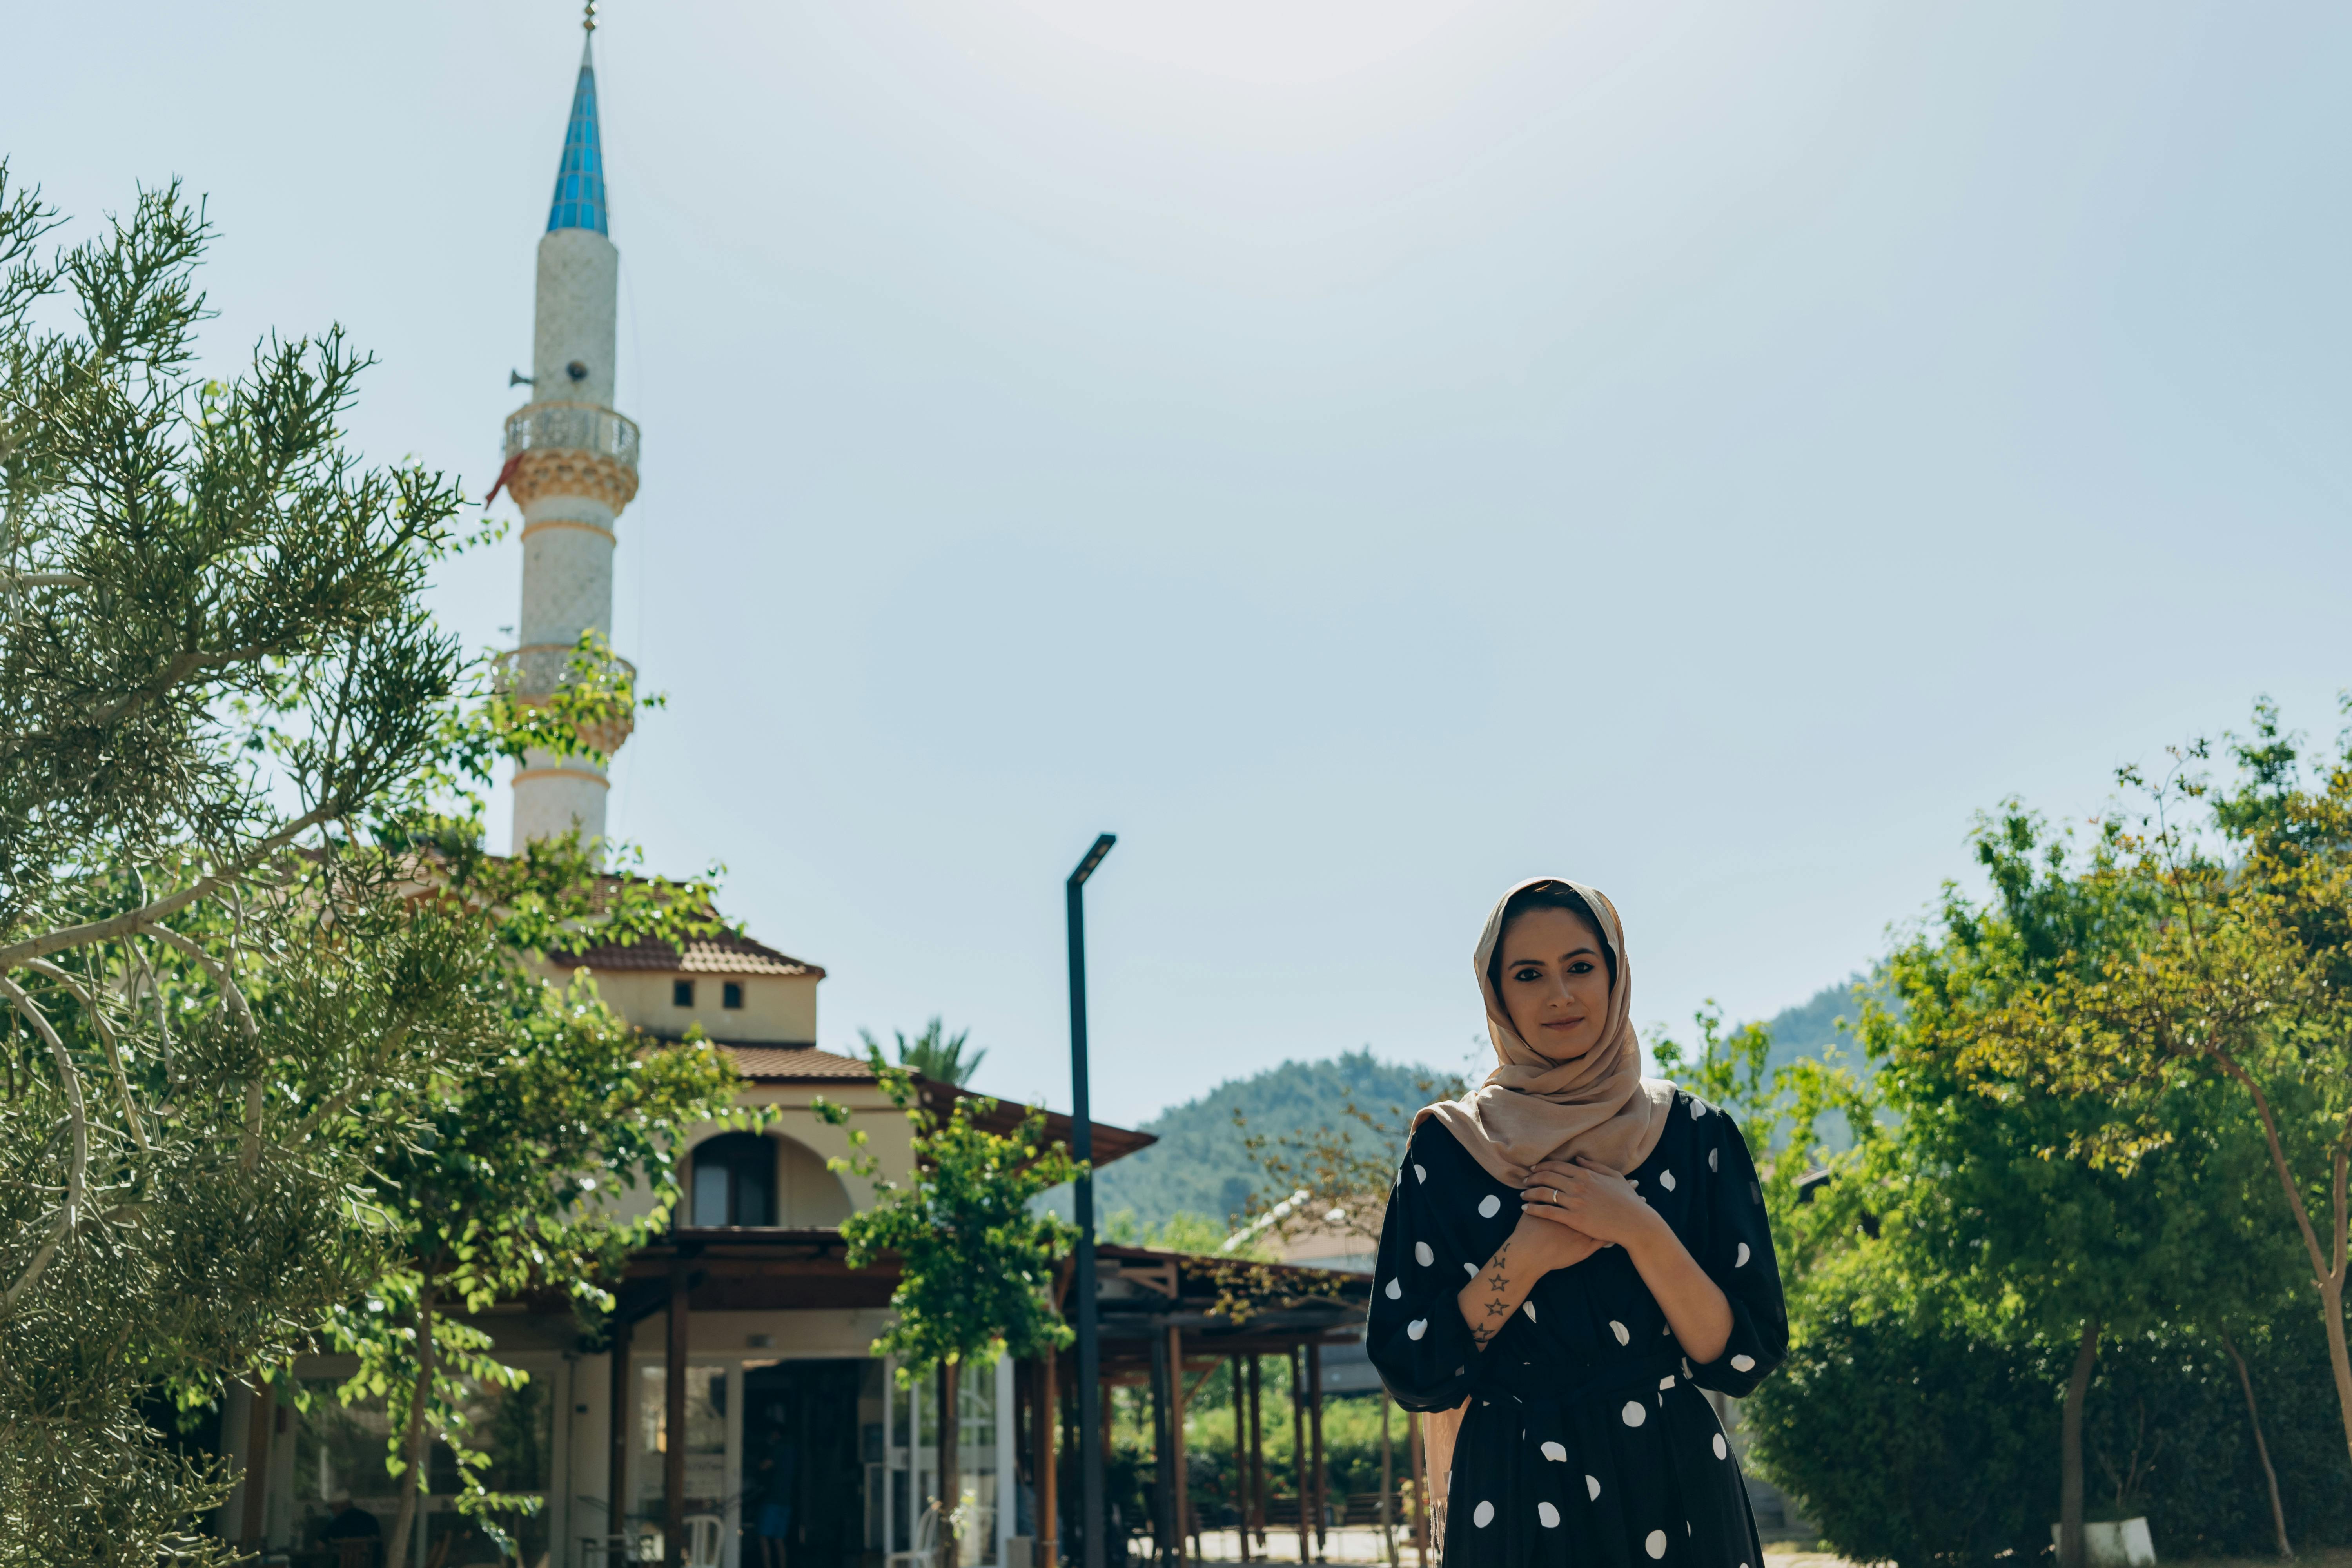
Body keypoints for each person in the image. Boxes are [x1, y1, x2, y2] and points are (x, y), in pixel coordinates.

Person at [1368, 878, 1785, 1568]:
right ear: (1498, 994)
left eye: (1581, 966)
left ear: (1615, 974)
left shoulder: (1696, 1136)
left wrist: (1639, 1228)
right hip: (1513, 1485)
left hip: (1674, 1481)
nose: (1560, 994)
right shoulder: (1449, 1149)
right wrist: (1526, 1256)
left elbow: (1745, 1357)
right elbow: (1414, 1366)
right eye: (1529, 974)